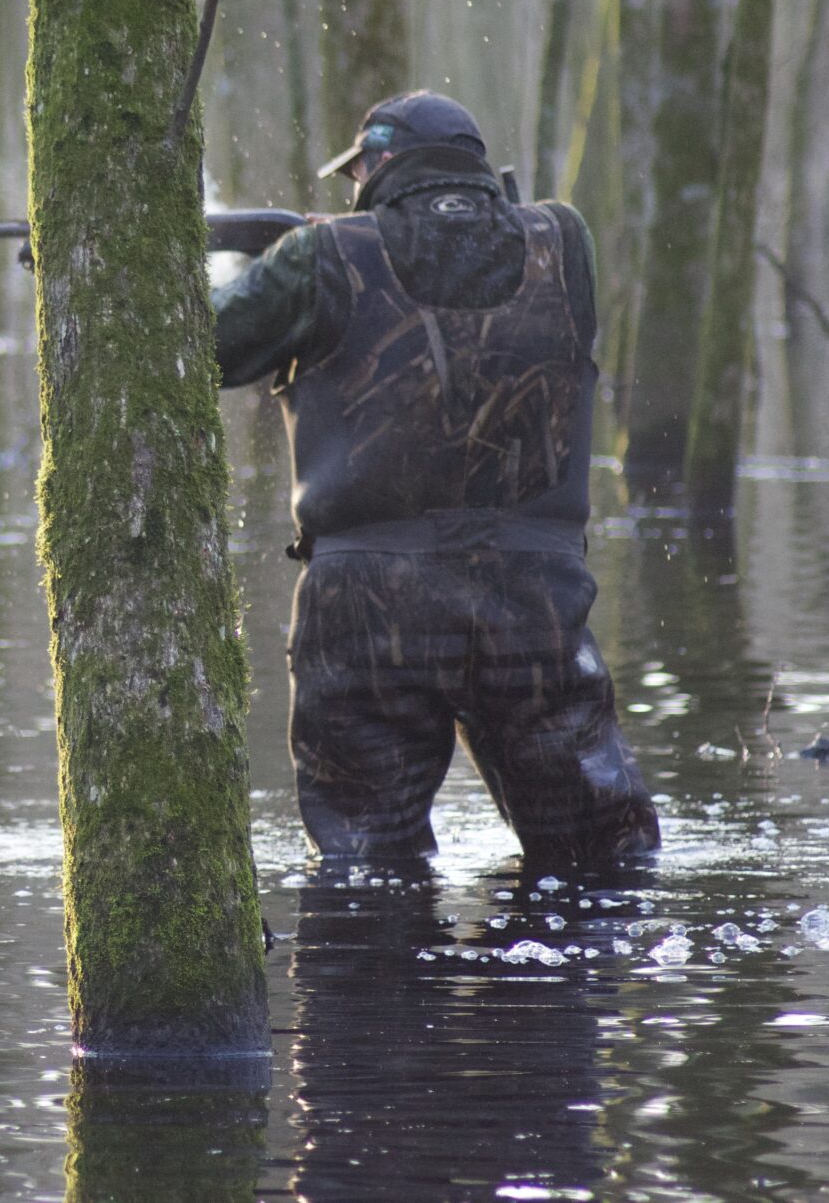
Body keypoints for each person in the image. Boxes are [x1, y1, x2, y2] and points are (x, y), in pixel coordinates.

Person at [214, 90, 660, 866]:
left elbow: (205, 343)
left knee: (367, 869)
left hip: (366, 610)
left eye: (356, 174)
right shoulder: (567, 240)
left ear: (380, 165)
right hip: (536, 603)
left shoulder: (324, 257)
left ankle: (377, 987)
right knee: (602, 867)